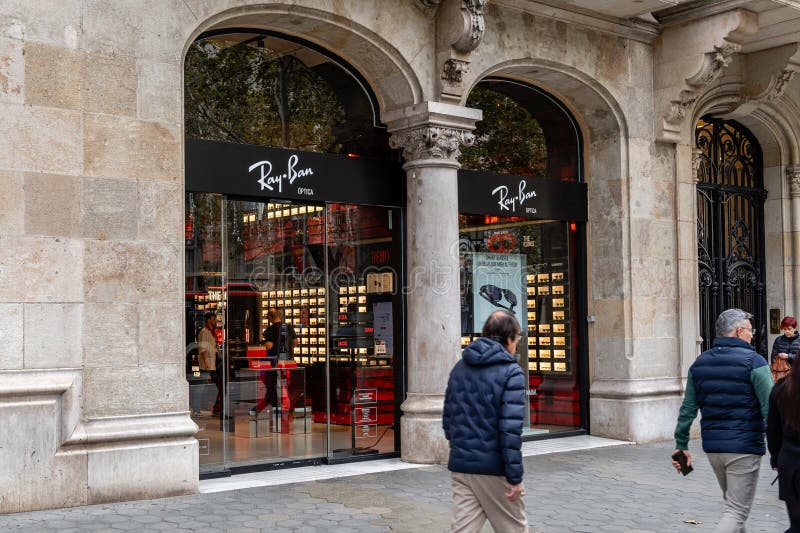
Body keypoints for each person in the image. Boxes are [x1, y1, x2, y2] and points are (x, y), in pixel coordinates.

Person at [672, 308, 773, 533]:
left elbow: (688, 409)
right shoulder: (755, 362)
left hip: (714, 448)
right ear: (738, 331)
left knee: (734, 509)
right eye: (749, 330)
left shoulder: (700, 363)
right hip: (744, 448)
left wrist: (681, 446)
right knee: (736, 511)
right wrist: (779, 450)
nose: (752, 335)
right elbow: (771, 409)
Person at [443, 310, 527, 533]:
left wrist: (462, 448)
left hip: (462, 465)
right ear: (509, 338)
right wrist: (515, 477)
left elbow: (448, 420)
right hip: (493, 469)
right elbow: (510, 432)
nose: (517, 344)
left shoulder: (460, 368)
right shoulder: (511, 373)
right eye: (517, 338)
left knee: (463, 529)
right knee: (514, 528)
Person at [767, 354, 800, 532]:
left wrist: (775, 460)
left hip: (790, 463)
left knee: (796, 525)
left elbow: (772, 431)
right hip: (789, 461)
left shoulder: (782, 388)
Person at [250, 308, 298, 417]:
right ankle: (280, 412)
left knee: (272, 389)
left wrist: (262, 346)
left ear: (269, 318)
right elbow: (295, 342)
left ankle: (261, 411)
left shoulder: (270, 330)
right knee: (284, 388)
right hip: (288, 363)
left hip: (274, 365)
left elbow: (269, 346)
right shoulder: (289, 327)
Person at [197, 312, 222, 415]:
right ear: (209, 320)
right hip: (208, 364)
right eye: (214, 319)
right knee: (205, 387)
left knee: (215, 385)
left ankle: (213, 406)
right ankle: (200, 407)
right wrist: (206, 364)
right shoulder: (204, 332)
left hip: (214, 362)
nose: (215, 320)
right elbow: (202, 349)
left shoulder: (212, 332)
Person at [771, 316, 799, 382]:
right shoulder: (778, 340)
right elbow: (773, 358)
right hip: (782, 373)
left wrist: (788, 356)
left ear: (794, 328)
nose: (786, 331)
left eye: (789, 329)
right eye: (785, 329)